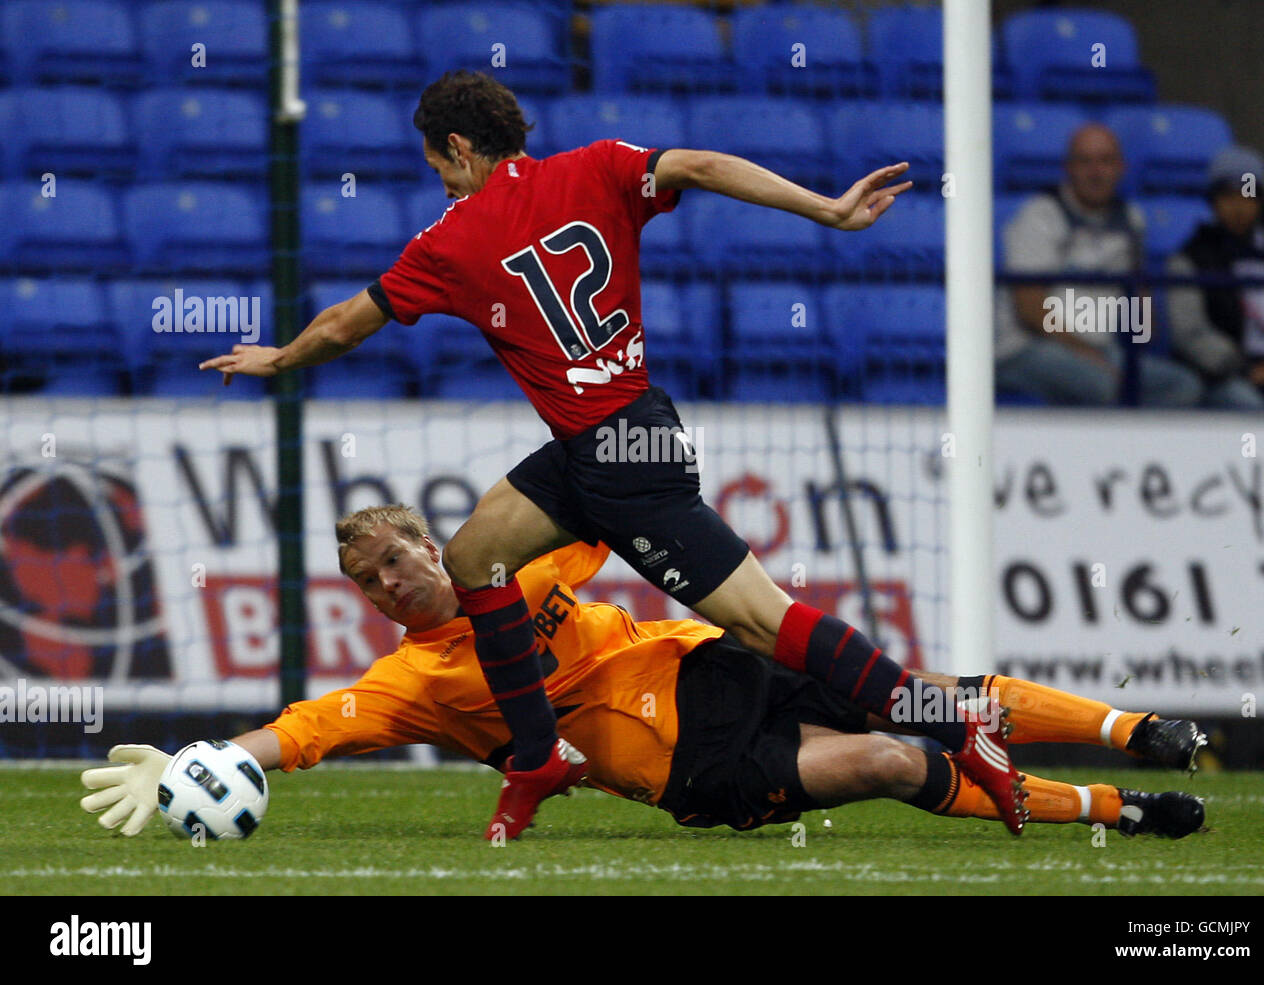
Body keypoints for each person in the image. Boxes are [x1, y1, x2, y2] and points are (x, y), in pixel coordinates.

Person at [200, 71, 1029, 839]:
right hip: (620, 431)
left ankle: (959, 724)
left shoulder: (451, 240)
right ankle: (537, 755)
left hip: (621, 462)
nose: (444, 186)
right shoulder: (598, 165)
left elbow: (348, 321)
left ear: (459, 148)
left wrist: (277, 358)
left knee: (763, 622)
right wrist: (828, 210)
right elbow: (700, 163)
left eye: (441, 168)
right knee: (474, 555)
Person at [80, 505, 1206, 841]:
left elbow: (607, 505)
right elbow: (305, 727)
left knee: (929, 695)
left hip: (716, 668)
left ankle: (1131, 728)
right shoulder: (414, 679)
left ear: (434, 544)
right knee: (888, 756)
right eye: (370, 583)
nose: (391, 585)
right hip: (688, 767)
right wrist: (214, 758)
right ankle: (1121, 808)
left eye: (396, 560)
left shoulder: (521, 566)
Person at [995, 123, 1204, 407]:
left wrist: (1141, 313)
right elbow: (1030, 308)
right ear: (1068, 168)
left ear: (1121, 168)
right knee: (1101, 384)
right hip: (1026, 348)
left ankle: (1135, 450)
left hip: (1101, 351)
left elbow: (1142, 319)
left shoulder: (1131, 219)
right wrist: (1085, 353)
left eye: (1106, 161)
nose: (1096, 172)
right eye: (1085, 161)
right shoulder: (1039, 215)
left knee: (1181, 385)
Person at [1167, 145, 1264, 409]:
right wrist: (1245, 368)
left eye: (1248, 196)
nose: (1239, 206)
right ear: (1213, 200)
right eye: (1229, 196)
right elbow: (1190, 334)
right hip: (1219, 377)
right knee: (1248, 404)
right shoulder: (1191, 258)